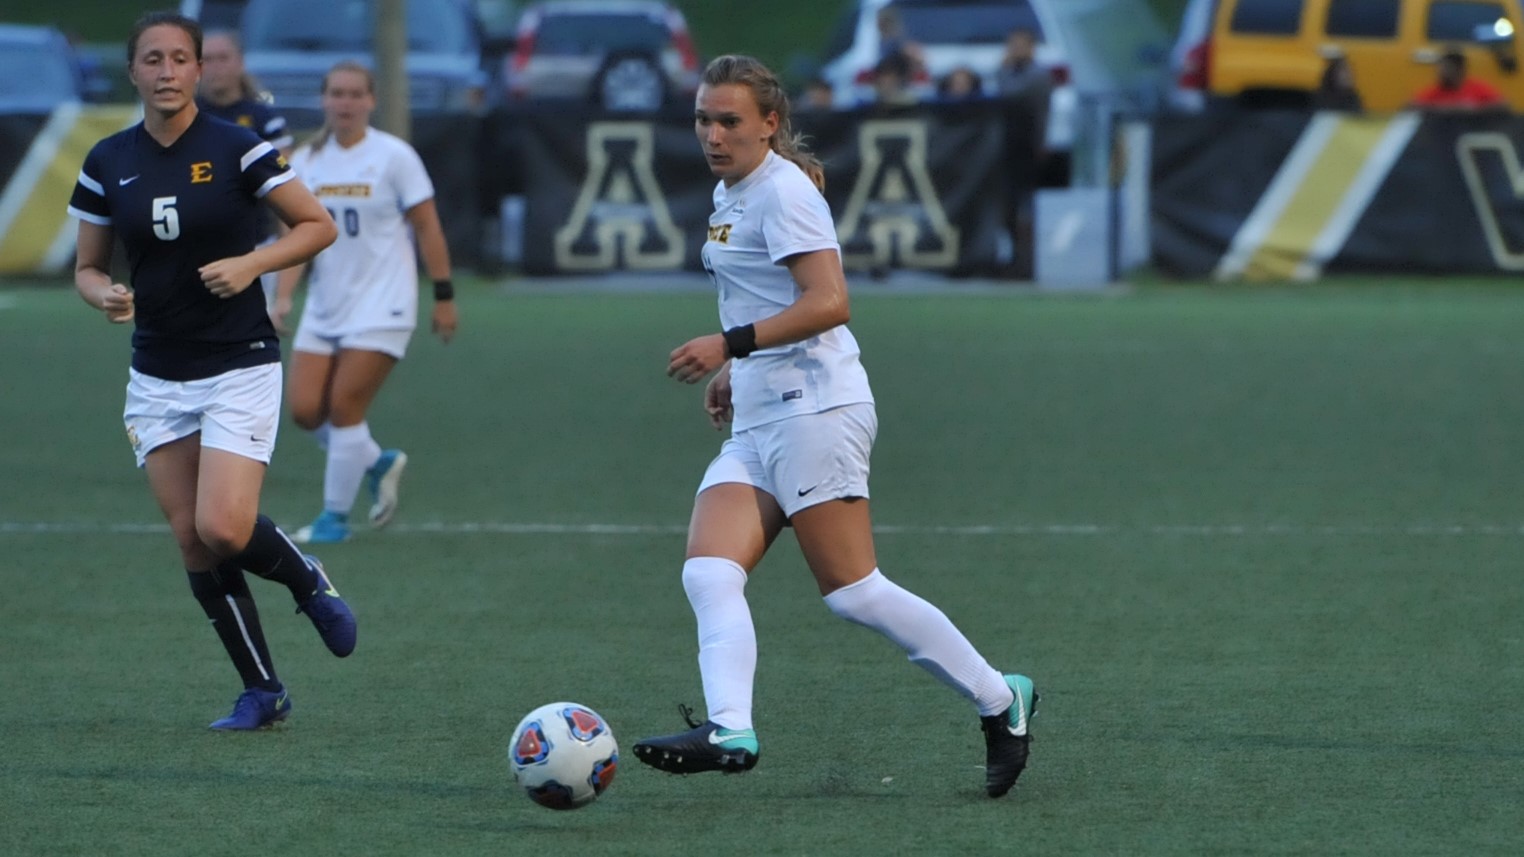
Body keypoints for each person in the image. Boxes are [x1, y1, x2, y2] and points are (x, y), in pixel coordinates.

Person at [632, 54, 1037, 800]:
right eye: (703, 119)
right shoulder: (733, 191)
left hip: (818, 409)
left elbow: (828, 301)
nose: (713, 134)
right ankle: (730, 728)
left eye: (729, 120)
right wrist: (735, 370)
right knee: (708, 570)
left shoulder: (782, 191)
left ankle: (999, 696)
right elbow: (764, 294)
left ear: (769, 123)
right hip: (760, 412)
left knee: (852, 591)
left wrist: (729, 345)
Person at [65, 12, 351, 731]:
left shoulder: (238, 147)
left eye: (180, 59)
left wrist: (253, 263)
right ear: (132, 72)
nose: (167, 72)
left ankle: (308, 580)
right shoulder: (106, 159)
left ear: (199, 70)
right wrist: (106, 295)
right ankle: (262, 689)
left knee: (223, 526)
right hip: (157, 371)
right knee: (191, 538)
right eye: (152, 60)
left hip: (238, 361)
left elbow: (314, 225)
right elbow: (88, 267)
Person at [272, 61, 459, 545]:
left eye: (356, 94)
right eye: (337, 93)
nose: (345, 102)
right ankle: (375, 461)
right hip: (327, 305)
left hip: (385, 303)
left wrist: (443, 295)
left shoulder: (394, 156)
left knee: (343, 407)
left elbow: (427, 227)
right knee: (304, 410)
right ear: (324, 99)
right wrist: (285, 295)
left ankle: (334, 519)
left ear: (371, 101)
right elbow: (296, 236)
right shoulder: (307, 162)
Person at [195, 30, 294, 309]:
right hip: (197, 249)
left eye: (223, 58)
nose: (215, 67)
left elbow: (287, 191)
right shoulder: (185, 116)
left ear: (240, 62)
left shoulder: (264, 118)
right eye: (207, 60)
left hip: (256, 246)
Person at [1410, 48, 1506, 110]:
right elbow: (1412, 107)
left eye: (1447, 68)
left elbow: (1502, 106)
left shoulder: (1477, 89)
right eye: (1441, 69)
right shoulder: (1435, 91)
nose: (1442, 73)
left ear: (1460, 69)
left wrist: (1474, 110)